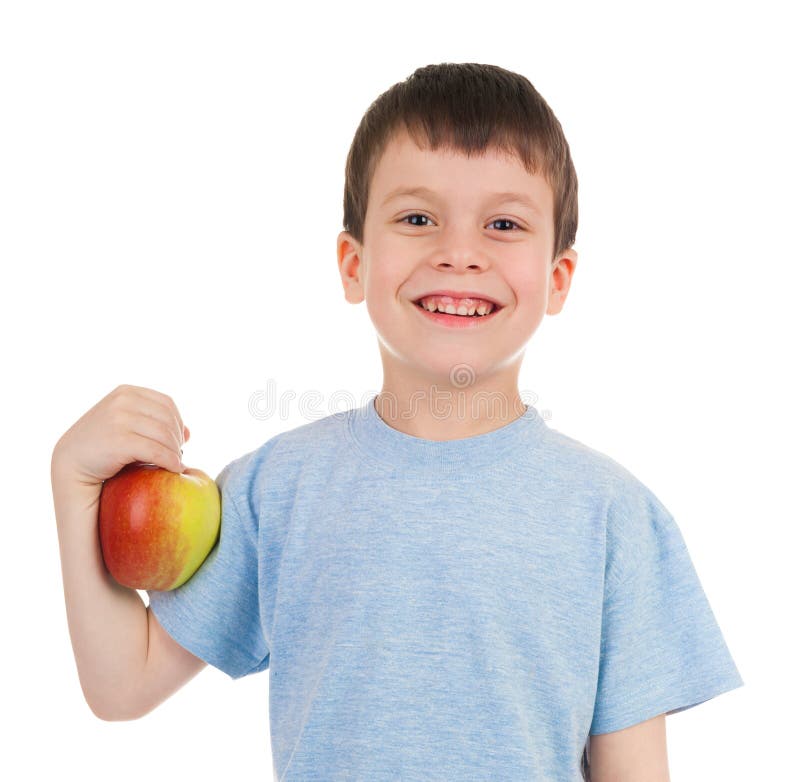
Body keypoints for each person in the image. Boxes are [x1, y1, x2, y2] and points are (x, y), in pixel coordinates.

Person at [51, 62, 744, 781]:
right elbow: (121, 685)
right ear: (353, 264)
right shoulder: (278, 488)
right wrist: (73, 482)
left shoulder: (615, 516)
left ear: (558, 277)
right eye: (418, 219)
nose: (459, 253)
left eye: (503, 224)